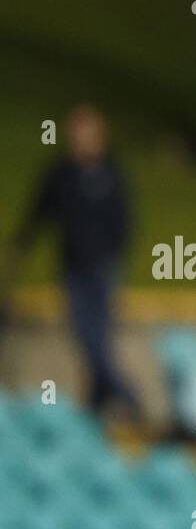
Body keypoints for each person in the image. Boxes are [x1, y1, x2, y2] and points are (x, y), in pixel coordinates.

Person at [11, 104, 139, 419]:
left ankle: (110, 400)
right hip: (73, 268)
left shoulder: (111, 175)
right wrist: (18, 249)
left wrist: (115, 254)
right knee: (85, 335)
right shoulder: (60, 174)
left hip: (103, 269)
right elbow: (38, 213)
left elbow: (124, 221)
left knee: (97, 336)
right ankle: (116, 398)